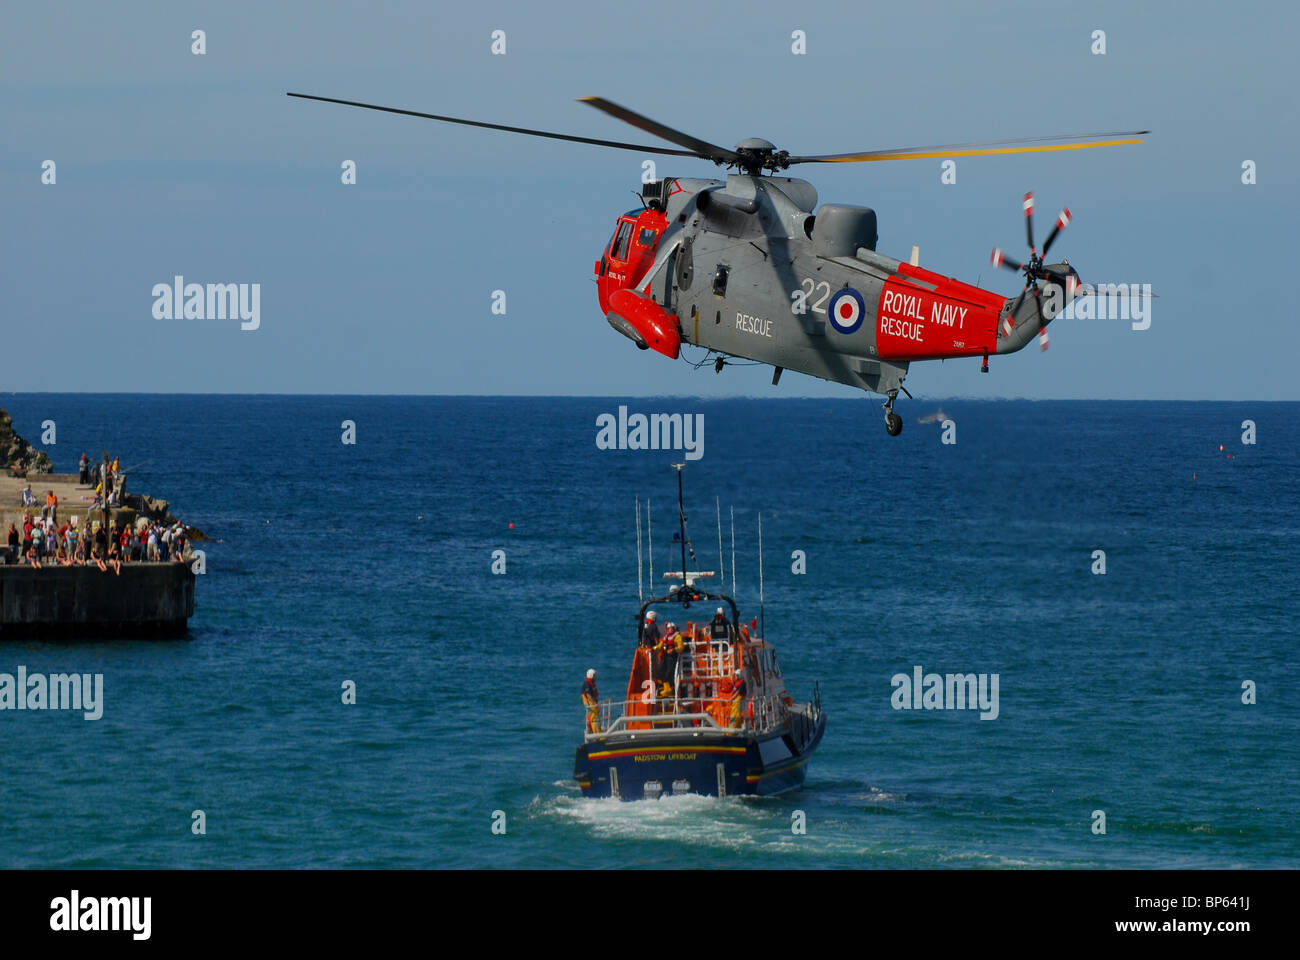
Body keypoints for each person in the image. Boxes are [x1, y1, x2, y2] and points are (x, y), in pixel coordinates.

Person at [581, 669, 601, 733]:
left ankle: (594, 730)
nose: (595, 677)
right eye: (594, 675)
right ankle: (596, 732)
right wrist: (594, 703)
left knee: (593, 715)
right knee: (594, 717)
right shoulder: (587, 684)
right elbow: (588, 695)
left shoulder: (591, 683)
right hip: (590, 702)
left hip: (592, 702)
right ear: (591, 675)